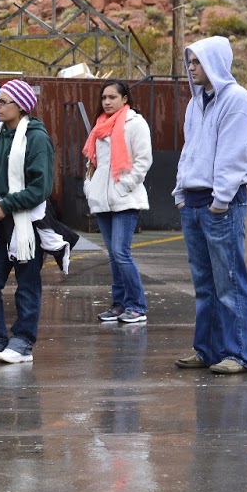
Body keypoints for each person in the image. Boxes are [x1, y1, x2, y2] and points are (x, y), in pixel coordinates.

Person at [173, 36, 247, 375]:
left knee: (229, 281)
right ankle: (207, 349)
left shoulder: (236, 100)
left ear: (215, 63)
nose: (191, 68)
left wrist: (220, 201)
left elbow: (233, 155)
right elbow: (189, 148)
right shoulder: (196, 103)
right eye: (190, 62)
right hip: (193, 201)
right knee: (204, 282)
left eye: (196, 62)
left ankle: (236, 354)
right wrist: (180, 193)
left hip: (218, 203)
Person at [0, 79, 55, 365]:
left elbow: (40, 187)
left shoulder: (36, 138)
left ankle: (23, 342)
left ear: (21, 106)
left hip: (26, 222)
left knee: (27, 283)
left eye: (3, 102)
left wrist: (7, 205)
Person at [83, 80, 154, 325]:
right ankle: (119, 304)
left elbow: (144, 160)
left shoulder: (135, 124)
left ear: (125, 99)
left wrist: (124, 186)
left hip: (125, 199)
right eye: (104, 97)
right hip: (102, 200)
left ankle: (137, 306)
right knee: (113, 254)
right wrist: (89, 187)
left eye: (112, 97)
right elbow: (93, 162)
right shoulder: (100, 126)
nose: (107, 102)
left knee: (121, 252)